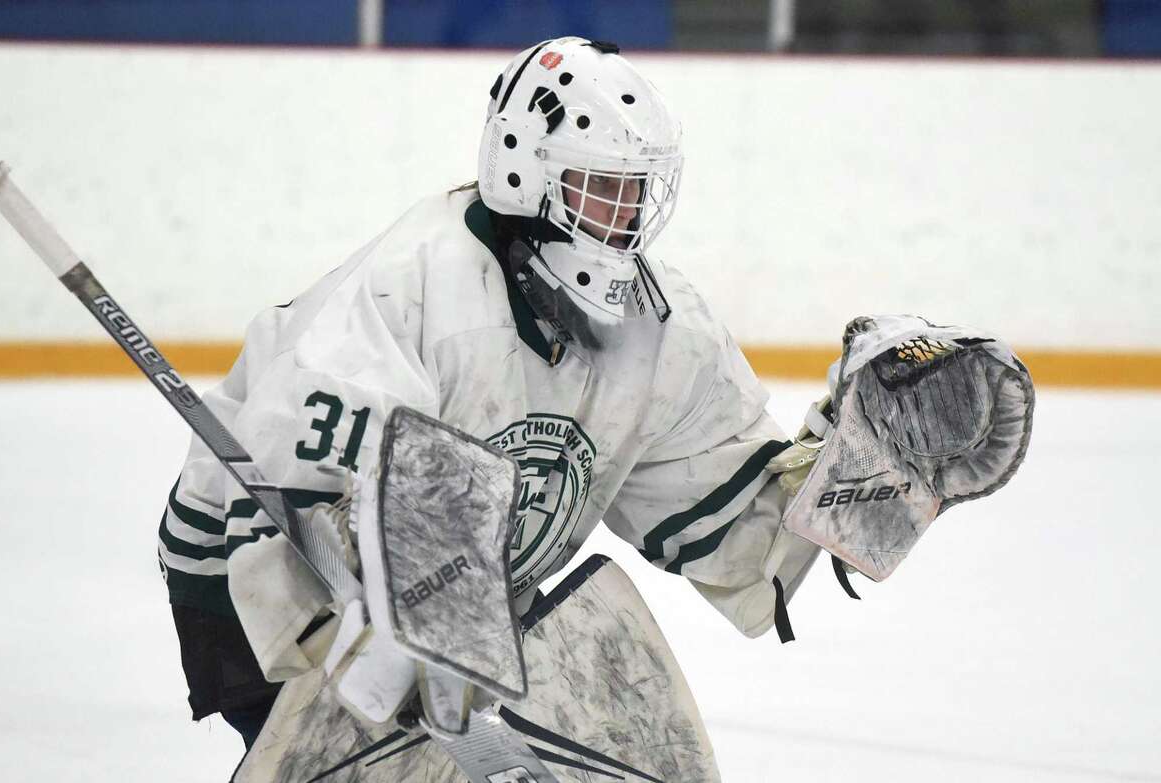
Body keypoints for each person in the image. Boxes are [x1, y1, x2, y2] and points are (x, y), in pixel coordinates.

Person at [157, 36, 823, 756]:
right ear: (523, 171)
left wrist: (844, 483)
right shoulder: (408, 286)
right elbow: (290, 485)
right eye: (601, 186)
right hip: (246, 571)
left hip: (464, 607)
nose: (623, 216)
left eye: (635, 191)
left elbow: (729, 520)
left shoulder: (660, 330)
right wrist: (383, 610)